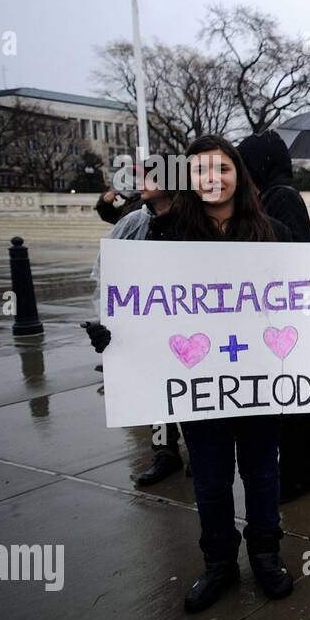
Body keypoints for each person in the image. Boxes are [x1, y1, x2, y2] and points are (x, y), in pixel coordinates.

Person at [82, 134, 310, 613]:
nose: (214, 178)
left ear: (238, 175)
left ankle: (267, 555)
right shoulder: (166, 236)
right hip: (200, 382)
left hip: (259, 378)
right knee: (209, 480)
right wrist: (117, 337)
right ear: (190, 178)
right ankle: (219, 565)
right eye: (203, 169)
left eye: (223, 168)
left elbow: (301, 299)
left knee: (262, 475)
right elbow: (145, 306)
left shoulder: (273, 232)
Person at [237, 130, 310, 504]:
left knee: (291, 412)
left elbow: (287, 254)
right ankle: (297, 475)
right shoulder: (278, 195)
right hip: (284, 315)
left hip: (286, 315)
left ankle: (299, 478)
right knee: (289, 409)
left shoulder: (281, 198)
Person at [89, 155, 185, 487]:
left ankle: (199, 453)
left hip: (187, 322)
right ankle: (164, 452)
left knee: (190, 385)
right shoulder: (133, 219)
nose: (141, 183)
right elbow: (109, 271)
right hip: (148, 320)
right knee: (156, 391)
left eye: (150, 177)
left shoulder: (193, 220)